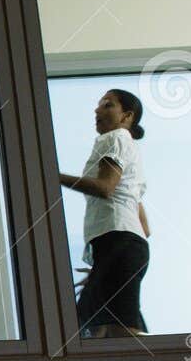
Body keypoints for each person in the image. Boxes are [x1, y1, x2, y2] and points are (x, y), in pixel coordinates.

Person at [58, 88, 148, 339]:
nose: (97, 110)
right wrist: (106, 266)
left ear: (127, 116)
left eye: (108, 105)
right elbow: (144, 228)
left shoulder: (115, 138)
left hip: (118, 241)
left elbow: (105, 187)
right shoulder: (129, 149)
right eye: (99, 105)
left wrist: (53, 177)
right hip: (125, 245)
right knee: (102, 327)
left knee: (110, 329)